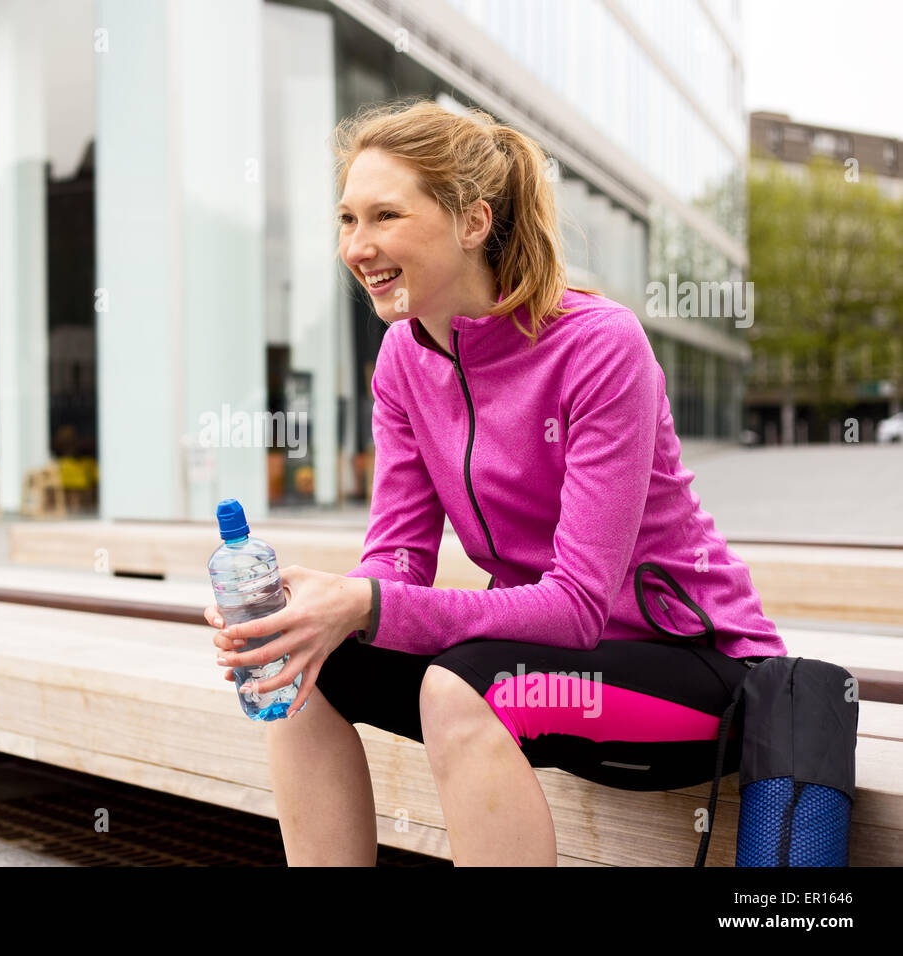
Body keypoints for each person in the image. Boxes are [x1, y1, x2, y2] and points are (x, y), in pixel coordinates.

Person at [203, 97, 787, 867]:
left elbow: (578, 609)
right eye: (347, 220)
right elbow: (396, 561)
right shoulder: (404, 363)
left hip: (701, 678)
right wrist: (319, 611)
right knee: (303, 661)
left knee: (460, 687)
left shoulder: (598, 347)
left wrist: (367, 604)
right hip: (542, 671)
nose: (357, 245)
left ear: (473, 222)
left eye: (384, 216)